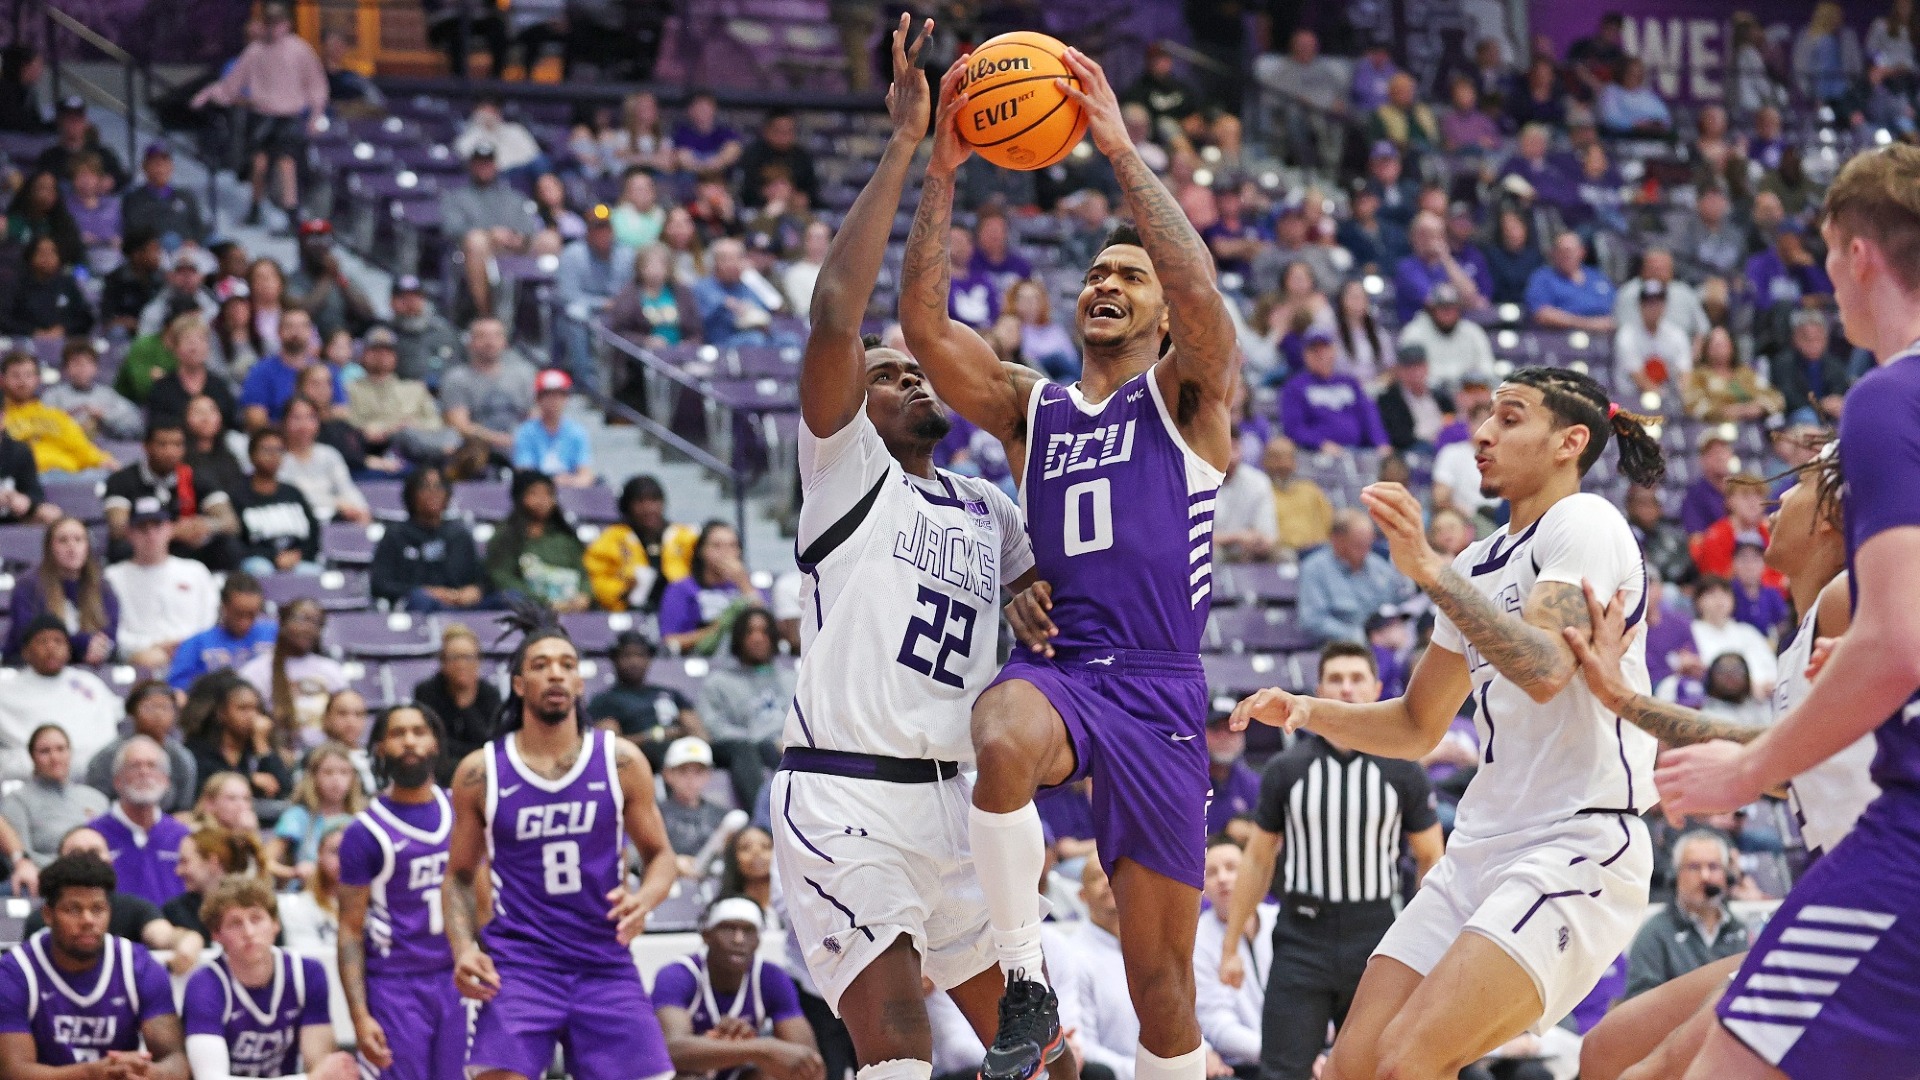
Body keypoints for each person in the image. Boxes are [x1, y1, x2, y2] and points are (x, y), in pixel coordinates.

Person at [905, 43, 1241, 1080]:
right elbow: (922, 327)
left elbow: (1204, 302)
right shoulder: (1030, 406)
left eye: (1127, 276)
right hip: (1066, 667)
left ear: (1156, 309)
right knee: (997, 733)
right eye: (1096, 273)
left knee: (1163, 997)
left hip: (1160, 691)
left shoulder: (1187, 400)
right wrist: (946, 169)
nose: (1107, 283)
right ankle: (1027, 987)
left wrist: (1122, 152)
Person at [1229, 363, 1670, 1077]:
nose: (1484, 434)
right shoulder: (1479, 560)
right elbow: (1416, 725)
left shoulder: (1585, 524)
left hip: (1576, 842)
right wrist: (1311, 710)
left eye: (1511, 417)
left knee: (1411, 1060)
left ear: (1571, 441)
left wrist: (1434, 574)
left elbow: (1546, 669)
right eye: (1485, 416)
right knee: (1354, 1066)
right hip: (1480, 851)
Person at [1565, 441, 1864, 1080]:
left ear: (1835, 514)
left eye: (1803, 483)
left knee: (1664, 1066)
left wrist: (1739, 770)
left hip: (1862, 908)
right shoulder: (1805, 625)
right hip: (1820, 896)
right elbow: (1797, 762)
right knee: (1608, 1048)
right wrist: (1623, 698)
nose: (1780, 496)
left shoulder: (1852, 595)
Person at [443, 606, 679, 1080]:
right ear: (518, 684)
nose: (555, 673)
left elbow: (661, 856)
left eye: (567, 664)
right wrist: (464, 948)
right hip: (520, 964)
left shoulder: (621, 762)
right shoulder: (479, 772)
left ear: (579, 683)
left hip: (603, 959)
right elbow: (459, 877)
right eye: (541, 664)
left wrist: (644, 900)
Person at [1219, 642, 1442, 1080]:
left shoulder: (1403, 771)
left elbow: (1431, 856)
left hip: (1376, 936)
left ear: (1377, 689)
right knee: (1281, 1069)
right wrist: (1229, 948)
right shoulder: (1286, 770)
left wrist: (1427, 939)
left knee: (1368, 1069)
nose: (1346, 688)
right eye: (1335, 679)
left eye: (1356, 678)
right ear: (1317, 690)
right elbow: (1259, 860)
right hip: (1301, 938)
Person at [338, 702, 464, 1080]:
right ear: (379, 748)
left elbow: (484, 895)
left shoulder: (461, 810)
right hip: (396, 986)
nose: (409, 741)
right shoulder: (364, 832)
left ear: (436, 744)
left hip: (459, 978)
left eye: (418, 732)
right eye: (397, 734)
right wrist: (360, 1016)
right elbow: (349, 930)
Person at [0, 853, 187, 1077]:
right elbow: (13, 1072)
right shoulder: (15, 971)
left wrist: (146, 1072)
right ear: (48, 915)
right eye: (74, 909)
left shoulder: (138, 966)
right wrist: (90, 1073)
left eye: (98, 909)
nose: (88, 920)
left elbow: (176, 1060)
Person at [180, 875, 353, 1080]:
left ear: (275, 924)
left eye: (256, 918)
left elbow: (319, 1067)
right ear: (216, 935)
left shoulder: (306, 973)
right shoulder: (205, 984)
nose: (249, 932)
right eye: (235, 923)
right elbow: (210, 1078)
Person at [654, 897, 822, 1080]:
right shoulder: (679, 974)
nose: (738, 939)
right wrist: (761, 1048)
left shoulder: (770, 977)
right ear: (706, 935)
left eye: (749, 930)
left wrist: (741, 1050)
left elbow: (810, 1065)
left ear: (758, 940)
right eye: (728, 928)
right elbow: (672, 1051)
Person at [191, 2, 326, 226]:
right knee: (259, 163)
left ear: (287, 25)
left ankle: (291, 213)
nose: (274, 29)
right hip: (262, 115)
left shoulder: (300, 50)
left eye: (278, 23)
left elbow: (316, 85)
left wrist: (315, 114)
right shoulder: (255, 52)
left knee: (286, 162)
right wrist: (207, 94)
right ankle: (255, 207)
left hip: (288, 115)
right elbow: (231, 84)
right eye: (269, 23)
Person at [26, 828, 205, 973]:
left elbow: (163, 935)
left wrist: (189, 939)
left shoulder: (136, 908)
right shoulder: (40, 918)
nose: (87, 859)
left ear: (110, 861)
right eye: (76, 853)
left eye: (95, 852)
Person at [1623, 829, 1750, 1002]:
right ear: (1675, 876)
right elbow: (1637, 1005)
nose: (1705, 876)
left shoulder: (1742, 931)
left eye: (1713, 867)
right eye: (1694, 867)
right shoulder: (1654, 934)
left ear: (1726, 875)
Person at [0, 616, 119, 782]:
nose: (51, 647)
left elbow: (121, 710)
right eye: (42, 641)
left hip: (94, 777)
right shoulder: (5, 690)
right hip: (28, 779)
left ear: (68, 650)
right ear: (26, 652)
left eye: (58, 641)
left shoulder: (88, 683)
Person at [698, 609, 794, 811]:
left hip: (785, 747)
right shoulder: (719, 682)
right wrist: (761, 739)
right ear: (738, 638)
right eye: (750, 632)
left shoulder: (791, 679)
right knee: (747, 750)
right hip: (742, 749)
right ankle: (761, 821)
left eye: (764, 632)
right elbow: (715, 728)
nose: (757, 638)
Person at [107, 498, 221, 667]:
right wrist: (153, 646)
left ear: (169, 529)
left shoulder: (195, 571)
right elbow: (114, 632)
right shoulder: (112, 577)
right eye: (142, 528)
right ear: (129, 533)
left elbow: (210, 619)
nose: (151, 535)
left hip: (195, 654)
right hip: (141, 658)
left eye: (157, 526)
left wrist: (185, 645)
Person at [1190, 838, 1269, 1073]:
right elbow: (1218, 1025)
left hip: (1308, 1051)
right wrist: (1286, 1056)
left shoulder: (1282, 921)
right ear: (1203, 888)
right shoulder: (1196, 940)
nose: (1223, 878)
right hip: (1244, 1065)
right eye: (1212, 872)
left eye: (1232, 868)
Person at [87, 735, 194, 905]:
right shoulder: (93, 836)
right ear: (117, 781)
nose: (144, 773)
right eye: (134, 766)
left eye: (152, 766)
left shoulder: (184, 837)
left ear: (166, 781)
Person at [370, 466, 493, 612]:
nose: (433, 493)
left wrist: (475, 590)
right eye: (425, 487)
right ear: (411, 494)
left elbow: (481, 578)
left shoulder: (459, 534)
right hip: (420, 609)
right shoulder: (396, 535)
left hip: (460, 607)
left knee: (512, 599)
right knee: (421, 599)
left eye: (439, 487)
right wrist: (426, 592)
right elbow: (380, 584)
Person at [7, 516, 118, 666]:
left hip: (89, 667)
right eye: (63, 540)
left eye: (78, 540)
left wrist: (98, 649)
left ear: (87, 547)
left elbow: (109, 634)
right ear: (49, 547)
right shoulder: (28, 587)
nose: (72, 547)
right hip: (33, 670)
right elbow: (30, 638)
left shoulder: (102, 587)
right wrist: (82, 646)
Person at [240, 599, 347, 751]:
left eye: (316, 622)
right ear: (283, 622)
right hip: (277, 752)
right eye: (302, 619)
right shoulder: (256, 671)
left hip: (326, 755)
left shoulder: (331, 670)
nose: (308, 628)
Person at [0, 724, 106, 876]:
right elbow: (22, 856)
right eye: (45, 751)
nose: (55, 758)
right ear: (32, 757)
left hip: (103, 879)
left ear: (70, 752)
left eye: (61, 749)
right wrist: (73, 870)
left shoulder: (96, 798)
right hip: (50, 881)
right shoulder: (17, 801)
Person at [584, 475, 698, 614]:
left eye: (654, 500)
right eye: (640, 501)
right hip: (630, 611)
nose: (648, 508)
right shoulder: (611, 538)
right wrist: (623, 589)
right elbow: (597, 580)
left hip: (681, 609)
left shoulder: (684, 537)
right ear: (627, 506)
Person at [1297, 511, 1412, 646]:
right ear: (1337, 540)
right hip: (1340, 648)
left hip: (1384, 644)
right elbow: (1312, 620)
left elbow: (1398, 604)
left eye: (1368, 544)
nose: (1365, 551)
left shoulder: (1378, 566)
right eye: (1358, 545)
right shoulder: (1314, 568)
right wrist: (1360, 636)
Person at [589, 632, 701, 768]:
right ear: (615, 659)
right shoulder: (605, 700)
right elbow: (611, 746)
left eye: (640, 655)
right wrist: (655, 736)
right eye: (627, 655)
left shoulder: (670, 693)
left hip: (682, 754)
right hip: (640, 760)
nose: (634, 662)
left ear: (649, 659)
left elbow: (699, 734)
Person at [485, 470, 589, 612]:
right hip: (529, 609)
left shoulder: (565, 536)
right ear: (519, 497)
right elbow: (502, 578)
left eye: (548, 494)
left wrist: (584, 595)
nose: (542, 500)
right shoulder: (505, 536)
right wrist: (545, 603)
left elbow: (583, 573)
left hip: (572, 606)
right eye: (534, 493)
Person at [183, 671, 293, 805]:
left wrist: (262, 746)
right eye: (243, 708)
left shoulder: (258, 749)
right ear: (221, 713)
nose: (252, 716)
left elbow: (285, 790)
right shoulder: (200, 749)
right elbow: (204, 786)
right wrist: (249, 780)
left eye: (256, 709)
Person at [87, 681, 197, 814]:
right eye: (149, 707)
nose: (158, 715)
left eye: (165, 708)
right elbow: (96, 804)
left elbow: (183, 809)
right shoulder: (107, 757)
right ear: (132, 712)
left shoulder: (182, 758)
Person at [411, 627, 501, 787]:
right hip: (441, 768)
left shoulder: (490, 694)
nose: (461, 664)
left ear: (478, 661)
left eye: (467, 657)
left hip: (482, 766)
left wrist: (466, 706)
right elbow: (433, 742)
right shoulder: (427, 692)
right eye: (454, 658)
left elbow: (490, 743)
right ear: (442, 662)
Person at [441, 316, 539, 461]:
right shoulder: (457, 378)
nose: (490, 342)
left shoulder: (524, 374)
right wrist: (501, 440)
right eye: (482, 336)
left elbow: (536, 415)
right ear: (470, 342)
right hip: (477, 450)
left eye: (496, 335)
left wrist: (520, 439)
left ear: (505, 341)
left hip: (522, 446)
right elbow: (459, 424)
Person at [232, 426, 323, 578]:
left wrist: (298, 555)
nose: (274, 456)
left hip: (296, 562)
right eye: (266, 450)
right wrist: (274, 557)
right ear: (251, 454)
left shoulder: (293, 493)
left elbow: (313, 534)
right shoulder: (238, 495)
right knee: (261, 569)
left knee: (315, 574)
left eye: (279, 450)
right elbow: (236, 542)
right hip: (257, 562)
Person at [658, 521, 764, 652]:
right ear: (701, 551)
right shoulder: (681, 588)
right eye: (716, 546)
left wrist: (744, 584)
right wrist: (717, 630)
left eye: (732, 546)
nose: (726, 553)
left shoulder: (747, 586)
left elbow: (767, 630)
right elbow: (670, 640)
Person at [273, 744, 366, 885]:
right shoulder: (298, 816)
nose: (337, 779)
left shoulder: (362, 818)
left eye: (344, 772)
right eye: (328, 772)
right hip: (305, 894)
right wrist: (294, 872)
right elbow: (266, 861)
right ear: (313, 777)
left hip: (350, 895)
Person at [170, 572, 275, 691]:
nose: (244, 621)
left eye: (252, 614)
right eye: (238, 614)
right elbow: (177, 686)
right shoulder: (197, 643)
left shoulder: (274, 634)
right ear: (224, 607)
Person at [163, 824, 270, 939]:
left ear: (213, 862)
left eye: (185, 861)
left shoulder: (258, 905)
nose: (178, 871)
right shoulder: (175, 911)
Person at [279, 396, 369, 523]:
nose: (304, 425)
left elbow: (347, 488)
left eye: (310, 417)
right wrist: (337, 504)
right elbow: (295, 496)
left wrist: (361, 510)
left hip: (337, 519)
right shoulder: (279, 459)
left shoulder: (329, 454)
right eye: (296, 418)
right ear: (284, 422)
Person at [1396, 282, 1495, 394]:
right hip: (1429, 395)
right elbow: (1409, 374)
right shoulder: (1414, 332)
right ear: (1431, 309)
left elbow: (1487, 369)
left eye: (1452, 308)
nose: (1448, 313)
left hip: (1467, 394)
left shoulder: (1472, 332)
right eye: (1442, 308)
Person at [653, 737, 728, 871]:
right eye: (683, 771)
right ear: (667, 774)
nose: (690, 779)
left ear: (708, 775)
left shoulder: (723, 816)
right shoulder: (655, 814)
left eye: (698, 772)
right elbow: (639, 856)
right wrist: (673, 862)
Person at [512, 369, 595, 486]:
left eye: (559, 395)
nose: (554, 401)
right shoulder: (525, 432)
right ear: (538, 399)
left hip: (572, 491)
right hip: (536, 492)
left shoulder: (577, 432)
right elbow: (524, 472)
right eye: (548, 395)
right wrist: (553, 482)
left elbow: (585, 473)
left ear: (566, 399)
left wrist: (572, 482)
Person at [1769, 308, 1853, 425]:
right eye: (1807, 339)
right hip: (1795, 418)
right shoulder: (1782, 363)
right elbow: (1787, 398)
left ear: (1825, 339)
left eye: (1818, 338)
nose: (1813, 344)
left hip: (1829, 417)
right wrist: (1820, 405)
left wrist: (1836, 403)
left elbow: (1840, 391)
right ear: (1795, 338)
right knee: (1806, 416)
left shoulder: (1835, 365)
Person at [1683, 328, 1783, 424]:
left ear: (1732, 346)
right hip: (1716, 429)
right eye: (1716, 345)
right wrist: (1726, 411)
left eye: (1724, 344)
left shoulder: (1745, 373)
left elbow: (1776, 397)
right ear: (1707, 349)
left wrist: (1760, 407)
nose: (1720, 349)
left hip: (1754, 427)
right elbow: (1693, 406)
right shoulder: (1699, 376)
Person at [1524, 232, 1616, 332]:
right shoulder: (1543, 278)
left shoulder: (1597, 276)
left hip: (1605, 338)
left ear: (1582, 252)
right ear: (1554, 253)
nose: (1567, 255)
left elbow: (1617, 306)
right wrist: (1589, 324)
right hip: (1562, 339)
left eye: (1571, 250)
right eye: (1562, 251)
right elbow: (1542, 313)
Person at [1615, 279, 1694, 393]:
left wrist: (1683, 396)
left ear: (1664, 305)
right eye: (1649, 302)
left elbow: (1685, 372)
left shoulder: (1676, 334)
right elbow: (1637, 376)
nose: (1653, 307)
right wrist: (1663, 399)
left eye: (1658, 302)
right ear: (1640, 305)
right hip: (1632, 397)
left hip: (1670, 398)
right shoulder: (1627, 335)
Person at [123, 144, 207, 248]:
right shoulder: (134, 199)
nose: (160, 168)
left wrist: (194, 241)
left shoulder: (185, 196)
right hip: (153, 253)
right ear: (144, 167)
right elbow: (134, 231)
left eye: (164, 163)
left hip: (188, 251)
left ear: (171, 166)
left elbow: (199, 226)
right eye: (155, 163)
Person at [1262, 436, 1334, 554]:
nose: (1283, 464)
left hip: (1318, 551)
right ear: (1264, 462)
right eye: (1276, 458)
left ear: (1295, 462)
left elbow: (1331, 525)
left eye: (1288, 458)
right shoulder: (1262, 492)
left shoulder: (1311, 490)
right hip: (1281, 553)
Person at [1375, 348, 1454, 454]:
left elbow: (1452, 420)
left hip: (1444, 444)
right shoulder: (1389, 400)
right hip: (1413, 449)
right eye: (1409, 368)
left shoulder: (1441, 397)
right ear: (1399, 371)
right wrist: (1428, 441)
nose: (1415, 372)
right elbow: (1397, 436)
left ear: (1426, 368)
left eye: (1418, 366)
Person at [390, 277, 461, 389]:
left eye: (415, 297)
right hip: (401, 397)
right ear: (392, 302)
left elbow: (458, 365)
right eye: (403, 298)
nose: (410, 303)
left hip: (443, 394)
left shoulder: (443, 331)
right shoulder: (385, 333)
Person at [1211, 456, 1279, 564]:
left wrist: (1260, 542)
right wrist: (1236, 537)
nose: (1231, 457)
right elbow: (1193, 538)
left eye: (1235, 447)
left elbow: (1269, 536)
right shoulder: (1197, 477)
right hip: (1216, 548)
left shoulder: (1258, 480)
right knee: (1213, 553)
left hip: (1249, 549)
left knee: (1284, 556)